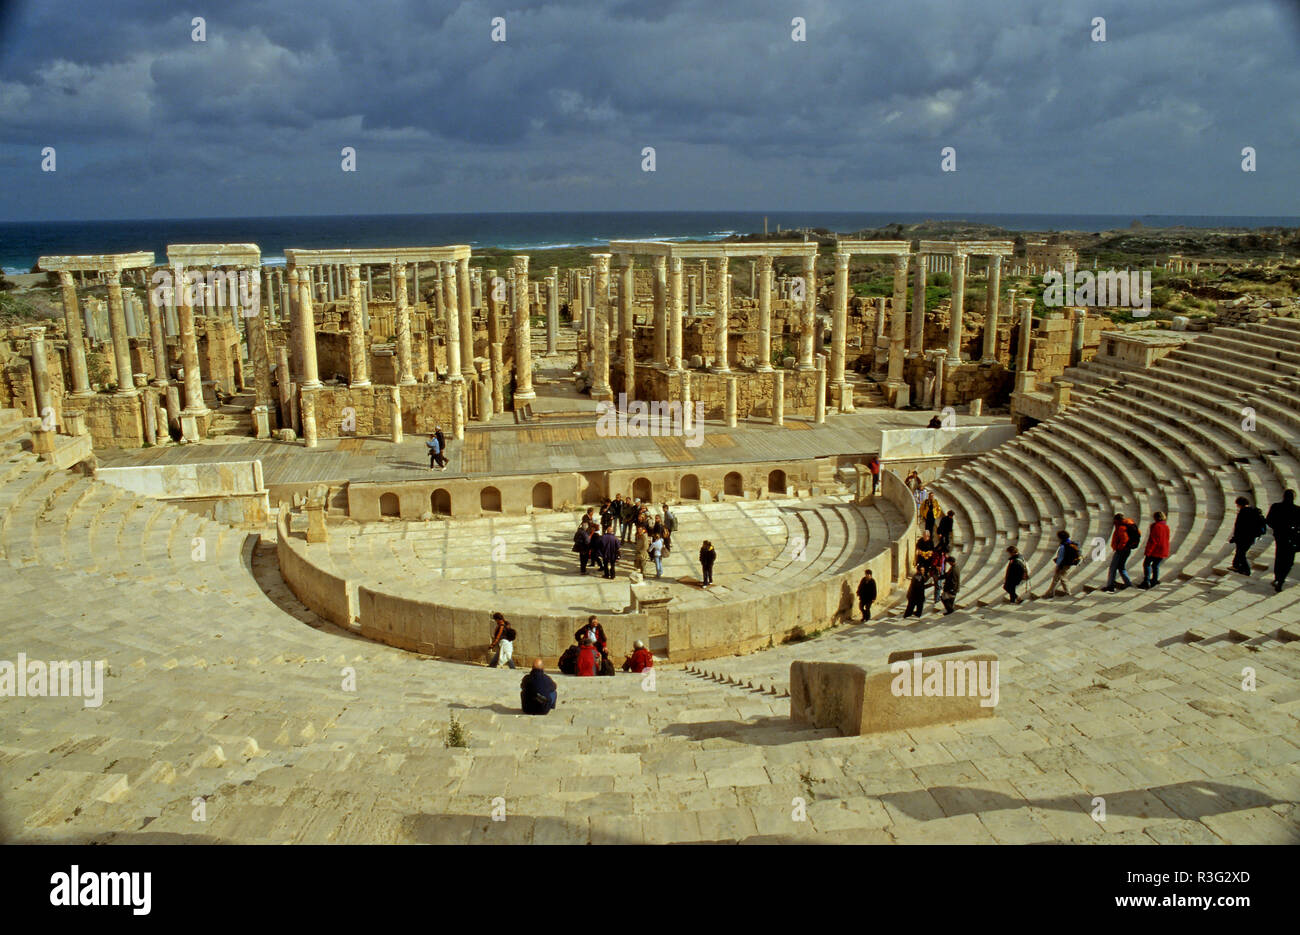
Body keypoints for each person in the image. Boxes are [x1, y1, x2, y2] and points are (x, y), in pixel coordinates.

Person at [1266, 489, 1300, 592]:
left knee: (1279, 557)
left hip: (1280, 536)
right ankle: (1281, 579)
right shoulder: (1297, 510)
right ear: (1294, 498)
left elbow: (1269, 521)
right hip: (1292, 538)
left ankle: (1278, 578)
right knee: (1289, 561)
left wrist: (1277, 528)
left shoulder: (1276, 507)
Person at [1102, 513, 1141, 592]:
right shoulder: (1130, 523)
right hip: (1127, 550)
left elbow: (1124, 540)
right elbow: (1139, 533)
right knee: (1121, 567)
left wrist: (1118, 548)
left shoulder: (1122, 528)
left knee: (1113, 568)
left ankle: (1110, 586)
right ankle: (1128, 584)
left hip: (1122, 550)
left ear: (1117, 520)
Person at [1229, 496, 1267, 575]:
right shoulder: (1254, 511)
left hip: (1243, 537)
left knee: (1241, 553)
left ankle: (1246, 570)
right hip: (1251, 537)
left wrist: (1234, 537)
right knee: (1240, 552)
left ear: (1240, 504)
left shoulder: (1243, 512)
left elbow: (1239, 527)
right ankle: (1235, 565)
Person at [1139, 511, 1171, 589]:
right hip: (1163, 549)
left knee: (1146, 564)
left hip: (1155, 550)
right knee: (1156, 565)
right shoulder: (1166, 527)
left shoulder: (1156, 526)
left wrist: (1148, 551)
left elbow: (1153, 540)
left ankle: (1146, 581)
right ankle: (1154, 580)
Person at [1048, 530, 1081, 597]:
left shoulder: (1063, 547)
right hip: (1069, 563)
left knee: (1061, 578)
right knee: (1057, 578)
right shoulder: (1072, 543)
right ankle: (1050, 592)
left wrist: (1058, 566)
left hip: (1063, 565)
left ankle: (1068, 593)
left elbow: (1060, 558)